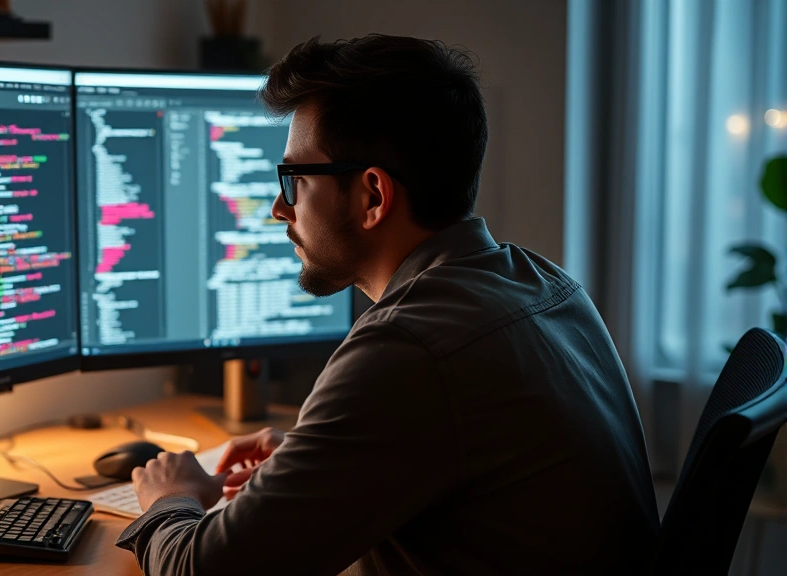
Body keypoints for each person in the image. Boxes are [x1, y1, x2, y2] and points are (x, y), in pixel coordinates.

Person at [116, 34, 660, 575]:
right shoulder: (546, 283)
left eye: (295, 180)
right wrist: (321, 460)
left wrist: (173, 497)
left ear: (373, 196)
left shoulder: (407, 348)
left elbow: (203, 571)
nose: (281, 209)